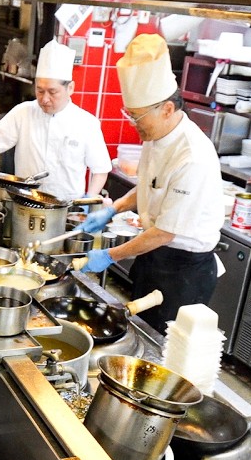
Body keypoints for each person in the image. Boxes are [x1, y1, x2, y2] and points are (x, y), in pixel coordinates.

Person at [74, 34, 225, 334]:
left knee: (162, 349)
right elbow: (150, 186)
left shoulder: (192, 156)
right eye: (129, 115)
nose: (134, 123)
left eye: (137, 116)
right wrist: (114, 208)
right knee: (137, 332)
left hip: (183, 271)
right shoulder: (156, 136)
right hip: (153, 257)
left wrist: (110, 255)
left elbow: (164, 233)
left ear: (167, 109)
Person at [0, 41, 111, 201]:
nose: (45, 99)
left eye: (52, 92)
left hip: (67, 208)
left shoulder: (87, 123)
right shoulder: (23, 112)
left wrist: (90, 198)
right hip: (25, 203)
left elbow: (100, 169)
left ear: (70, 88)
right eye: (40, 91)